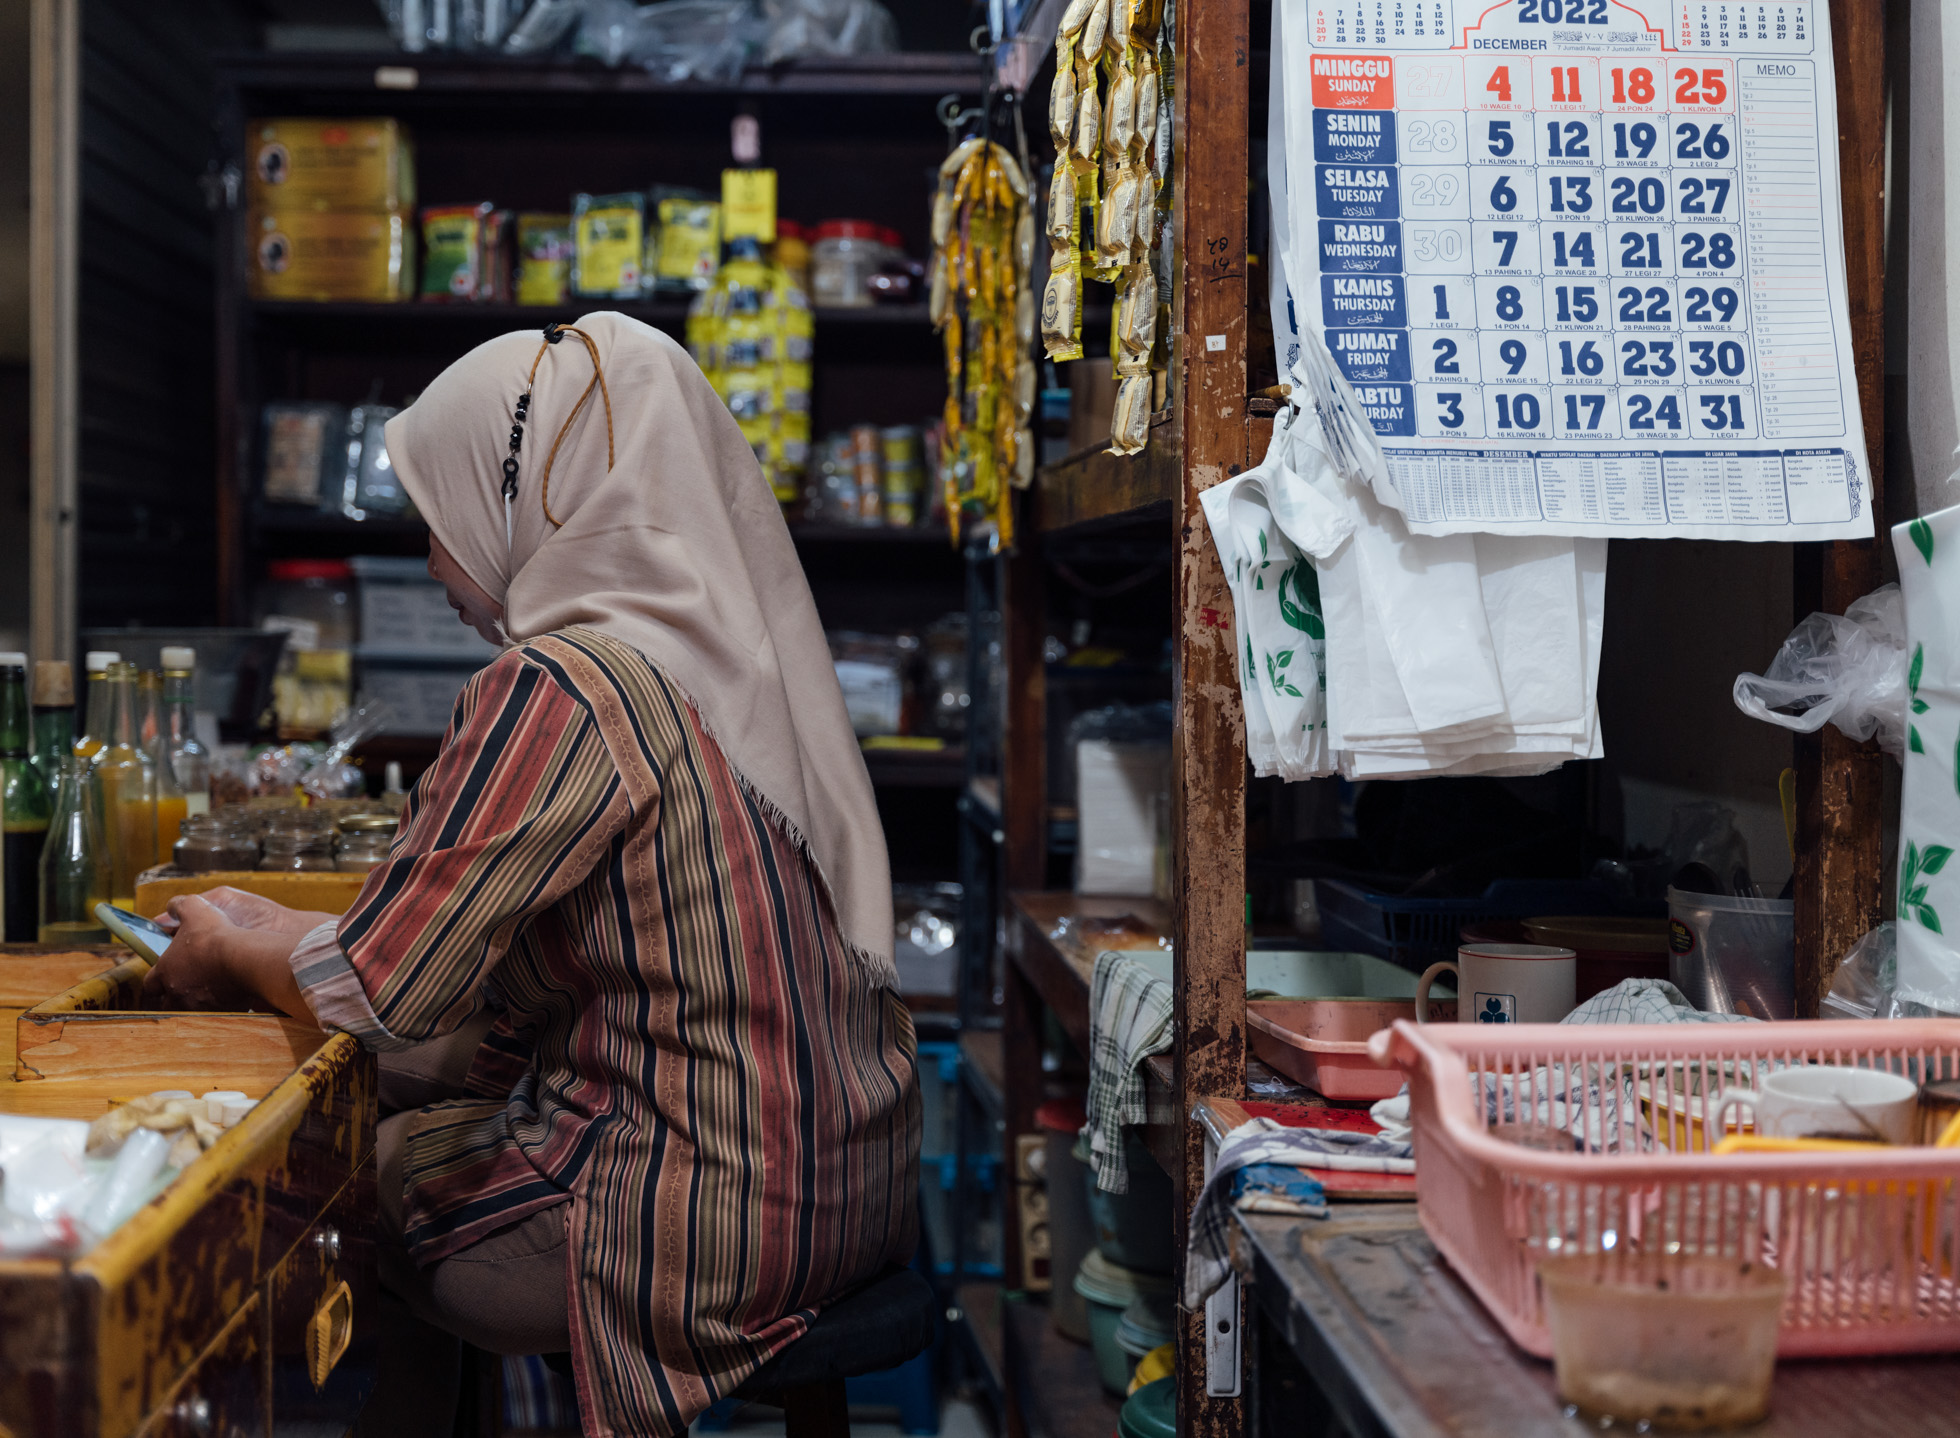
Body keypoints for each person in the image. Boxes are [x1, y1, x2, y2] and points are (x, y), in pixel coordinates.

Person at [145, 314, 921, 1436]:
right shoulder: (726, 665)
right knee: (437, 1082)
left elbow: (380, 990)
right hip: (851, 1189)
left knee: (335, 1169)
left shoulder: (561, 684)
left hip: (707, 1222)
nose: (430, 561)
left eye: (439, 518)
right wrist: (284, 934)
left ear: (526, 500)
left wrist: (229, 950)